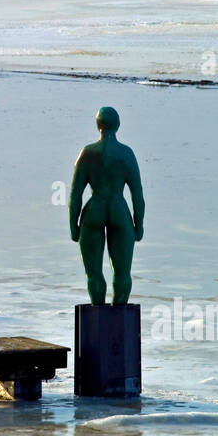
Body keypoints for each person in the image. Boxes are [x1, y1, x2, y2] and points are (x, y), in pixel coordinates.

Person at [69, 106, 145, 305]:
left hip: (94, 210)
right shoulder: (126, 154)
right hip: (119, 211)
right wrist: (139, 226)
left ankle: (95, 322)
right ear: (118, 125)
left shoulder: (87, 153)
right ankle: (120, 324)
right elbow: (137, 195)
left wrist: (73, 227)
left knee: (93, 274)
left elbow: (75, 196)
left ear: (98, 126)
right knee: (122, 274)